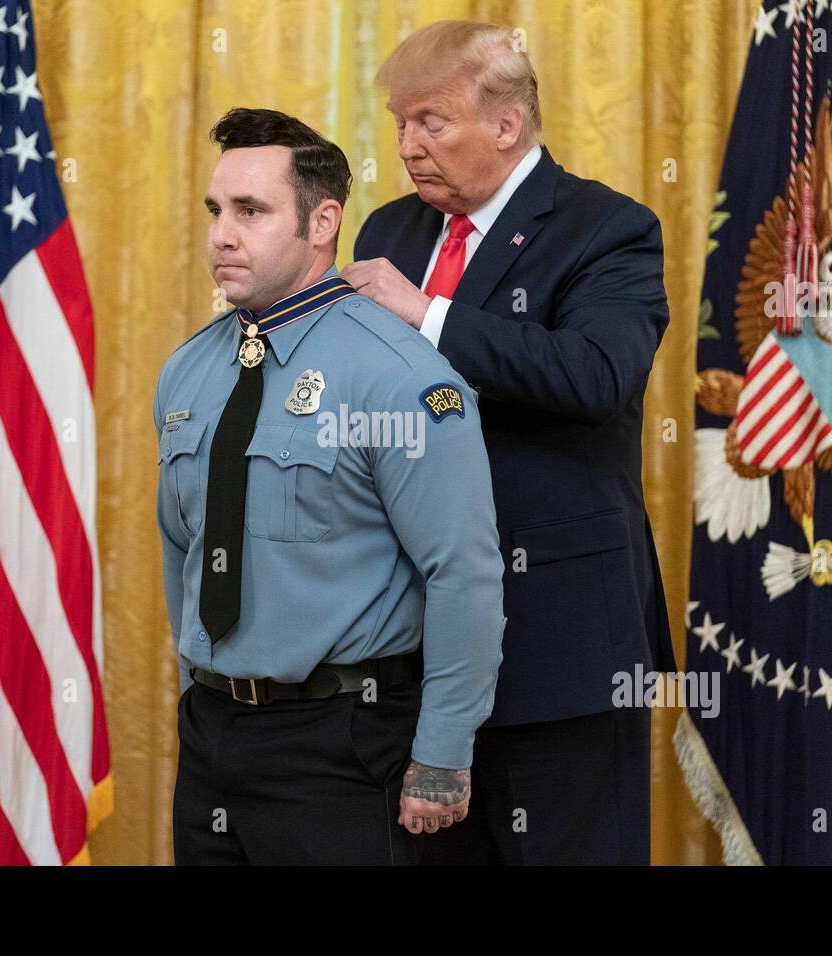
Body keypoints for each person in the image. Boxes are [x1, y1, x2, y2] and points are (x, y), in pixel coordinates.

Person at [346, 20, 675, 865]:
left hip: (559, 643)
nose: (408, 145)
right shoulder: (390, 233)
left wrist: (430, 316)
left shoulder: (607, 227)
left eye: (431, 122)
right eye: (399, 124)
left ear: (506, 125)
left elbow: (595, 377)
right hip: (411, 653)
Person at [155, 107, 505, 865]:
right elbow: (182, 552)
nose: (222, 234)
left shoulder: (400, 377)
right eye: (216, 210)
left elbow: (465, 573)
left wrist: (443, 756)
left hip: (345, 746)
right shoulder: (188, 370)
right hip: (212, 739)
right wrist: (199, 689)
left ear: (323, 223)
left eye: (251, 211)